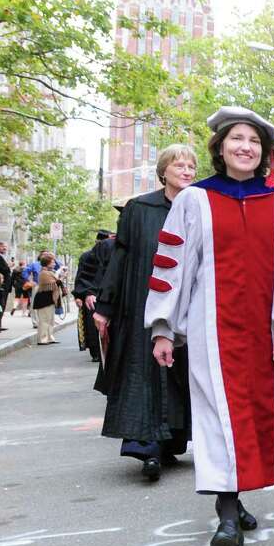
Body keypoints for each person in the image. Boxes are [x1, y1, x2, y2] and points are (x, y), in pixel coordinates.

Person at [146, 107, 274, 546]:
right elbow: (173, 266)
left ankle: (237, 495)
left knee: (254, 414)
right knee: (214, 414)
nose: (244, 146)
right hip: (212, 328)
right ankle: (227, 514)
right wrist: (164, 329)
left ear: (263, 152)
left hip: (266, 331)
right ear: (220, 148)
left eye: (253, 140)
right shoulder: (194, 200)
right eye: (236, 139)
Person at [93, 146, 196, 481]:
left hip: (187, 307)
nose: (186, 170)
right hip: (141, 304)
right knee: (144, 371)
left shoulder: (201, 206)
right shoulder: (139, 209)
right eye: (178, 165)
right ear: (163, 171)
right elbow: (120, 259)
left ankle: (170, 442)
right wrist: (105, 306)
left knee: (181, 374)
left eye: (191, 166)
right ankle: (147, 447)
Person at [73, 231, 115, 361]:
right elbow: (83, 275)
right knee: (92, 325)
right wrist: (83, 294)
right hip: (97, 296)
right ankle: (96, 351)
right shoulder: (96, 252)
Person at [32, 254, 61, 343]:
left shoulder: (50, 272)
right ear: (47, 263)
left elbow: (56, 282)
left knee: (50, 319)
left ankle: (49, 337)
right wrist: (60, 280)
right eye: (52, 262)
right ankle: (42, 339)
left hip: (49, 298)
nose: (54, 264)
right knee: (44, 319)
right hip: (43, 299)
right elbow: (52, 284)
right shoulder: (44, 273)